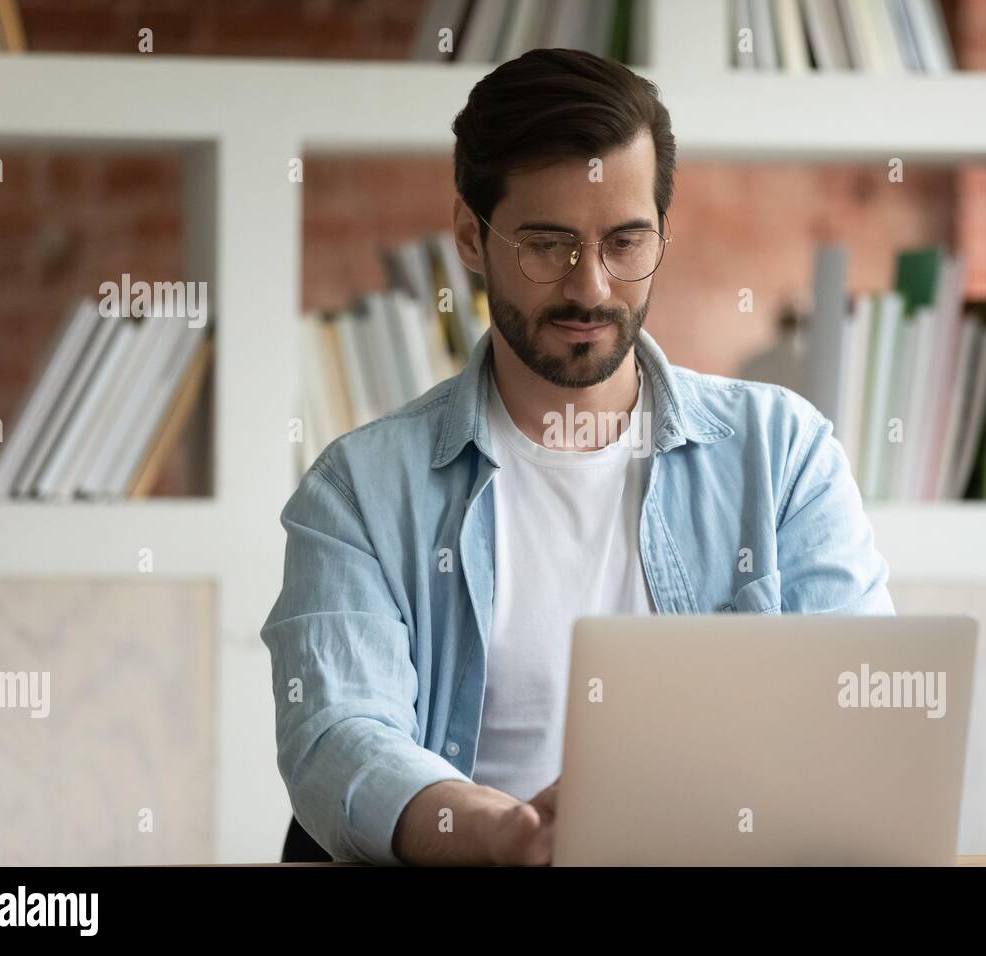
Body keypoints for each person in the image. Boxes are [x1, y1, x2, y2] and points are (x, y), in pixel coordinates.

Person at [260, 48, 893, 867]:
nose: (590, 287)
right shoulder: (360, 492)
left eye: (626, 243)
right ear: (470, 239)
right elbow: (338, 735)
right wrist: (501, 834)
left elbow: (859, 715)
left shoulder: (783, 455)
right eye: (547, 244)